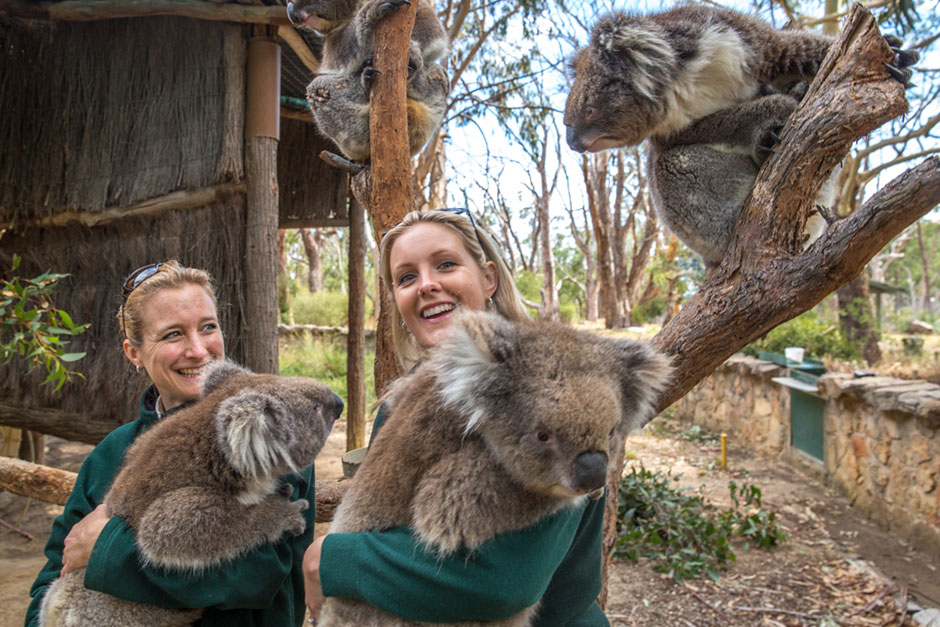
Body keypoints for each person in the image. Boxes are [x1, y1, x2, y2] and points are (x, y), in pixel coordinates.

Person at [303, 208, 610, 626]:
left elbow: (503, 583)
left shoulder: (549, 386)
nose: (427, 285)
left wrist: (333, 560)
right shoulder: (407, 397)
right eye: (406, 278)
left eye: (446, 264)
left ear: (489, 278)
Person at [25, 261, 316, 627]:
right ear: (133, 352)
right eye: (172, 334)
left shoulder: (269, 432)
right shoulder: (111, 454)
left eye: (208, 327)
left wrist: (107, 549)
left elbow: (252, 576)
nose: (197, 350)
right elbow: (54, 575)